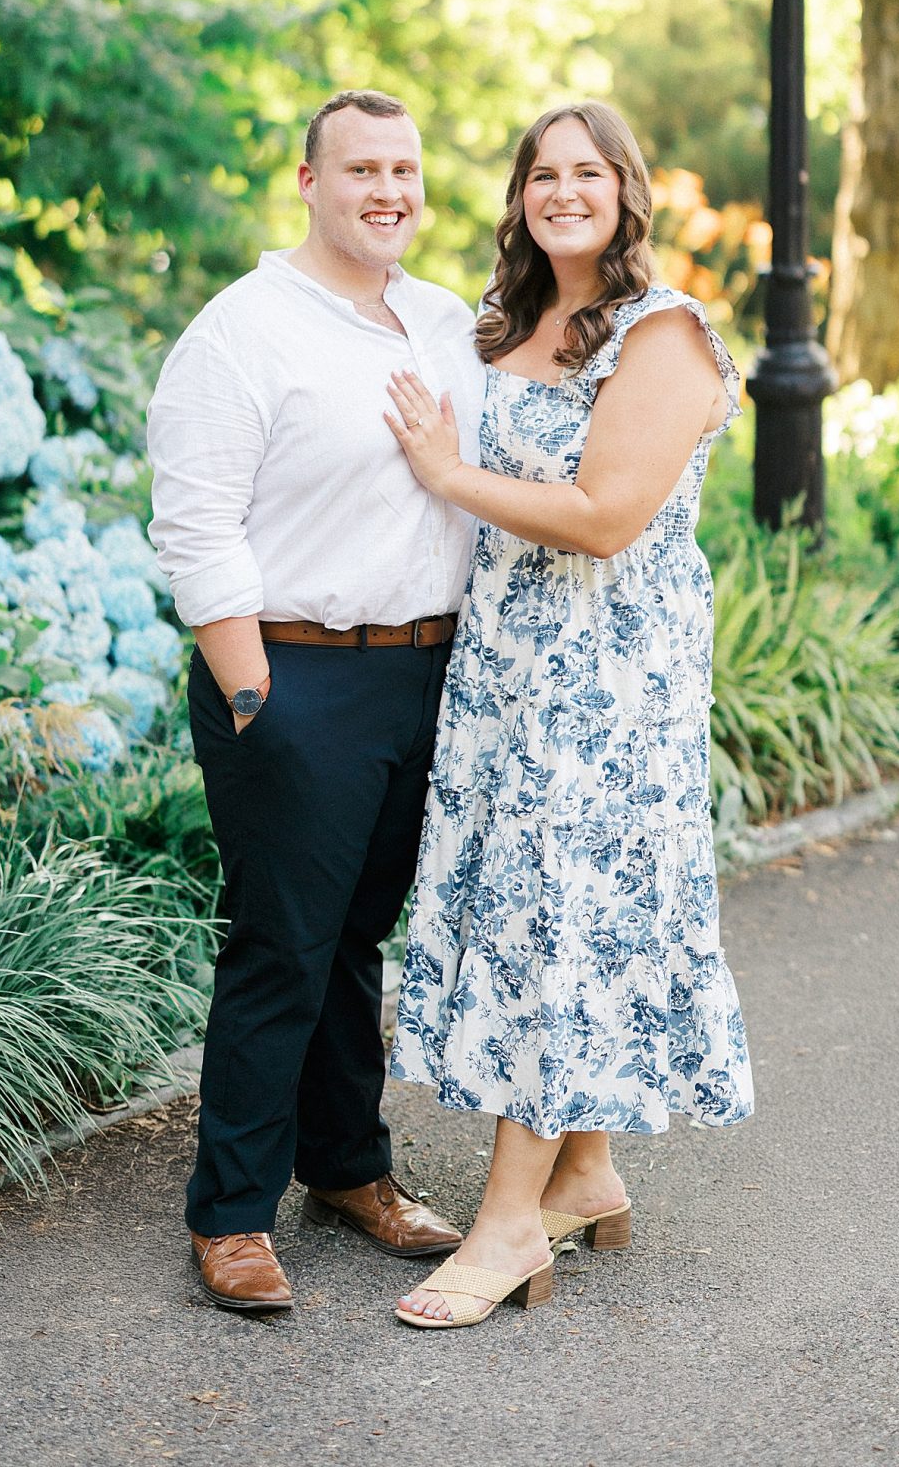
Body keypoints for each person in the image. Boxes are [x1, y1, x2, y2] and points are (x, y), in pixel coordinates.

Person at [382, 100, 755, 1330]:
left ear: (627, 190)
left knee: (555, 918)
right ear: (521, 196)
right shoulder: (510, 323)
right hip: (505, 667)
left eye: (587, 171)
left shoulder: (663, 334)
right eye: (543, 172)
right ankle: (584, 1171)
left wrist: (448, 475)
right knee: (549, 904)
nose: (562, 190)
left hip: (606, 682)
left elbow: (604, 515)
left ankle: (503, 1229)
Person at [146, 88, 485, 1314]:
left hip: (423, 671)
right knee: (283, 944)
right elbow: (194, 523)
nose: (387, 189)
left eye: (405, 167)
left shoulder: (446, 322)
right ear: (308, 181)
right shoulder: (243, 330)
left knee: (356, 938)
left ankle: (349, 1169)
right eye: (361, 169)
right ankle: (231, 1212)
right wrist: (252, 694)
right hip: (291, 673)